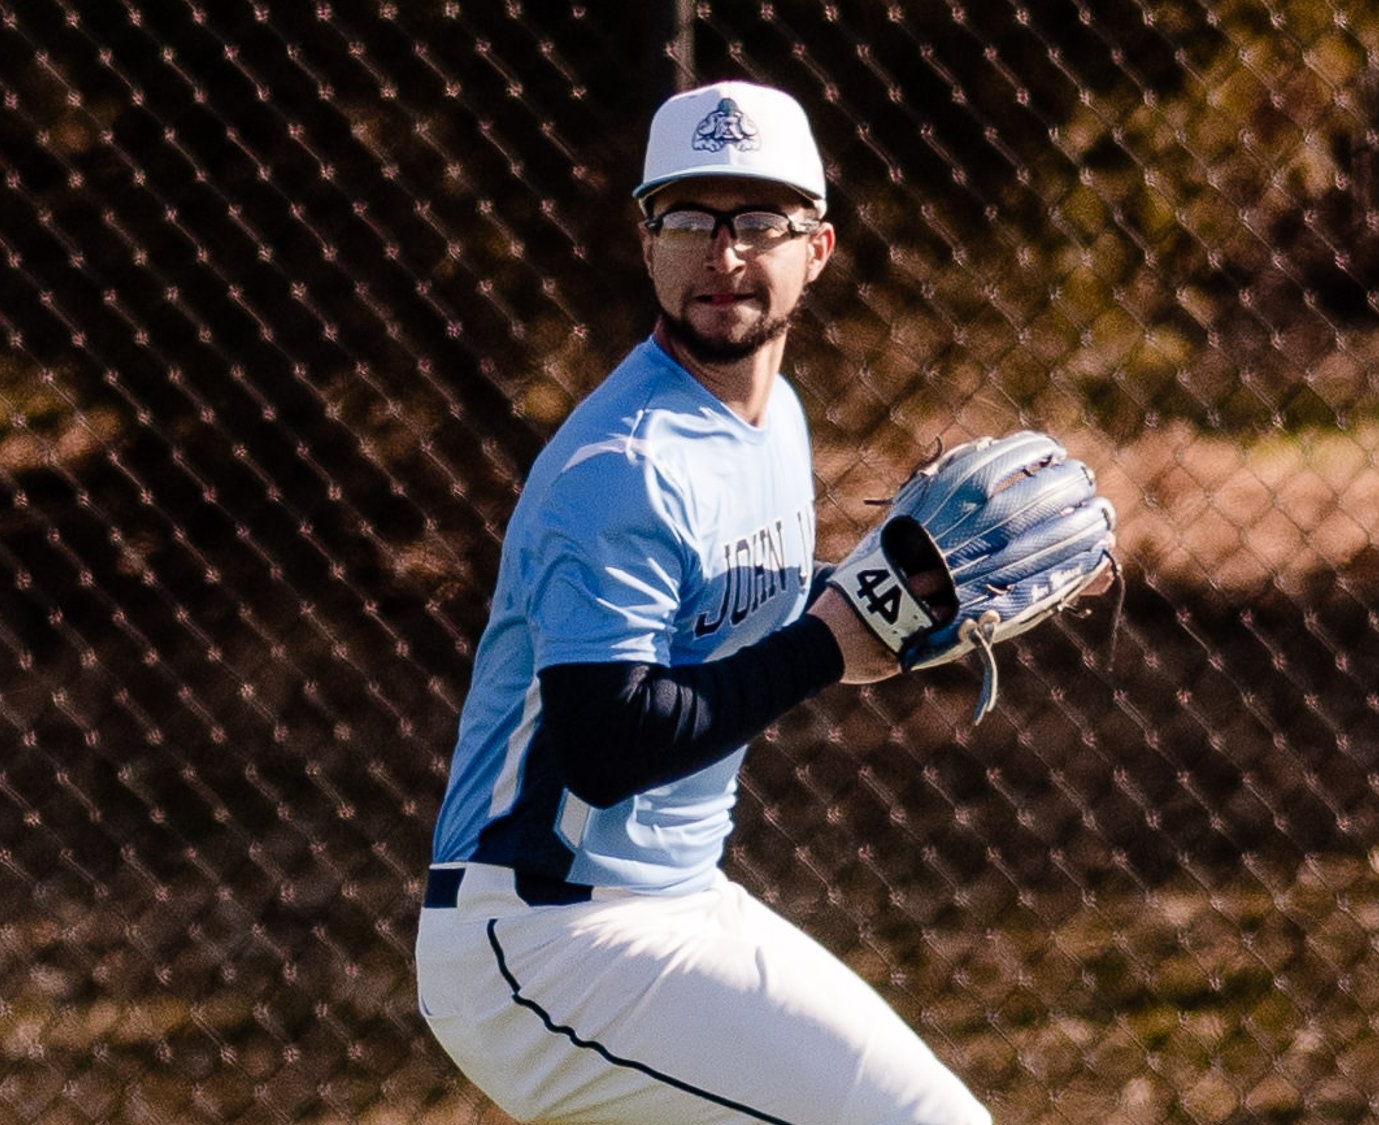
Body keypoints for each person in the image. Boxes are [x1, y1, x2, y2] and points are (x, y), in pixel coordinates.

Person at [415, 80, 992, 1124]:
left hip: (674, 902)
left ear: (816, 247)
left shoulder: (775, 423)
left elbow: (732, 617)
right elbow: (608, 739)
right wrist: (828, 648)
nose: (721, 255)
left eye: (757, 220)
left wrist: (897, 601)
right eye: (687, 219)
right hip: (541, 938)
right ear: (646, 245)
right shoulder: (621, 465)